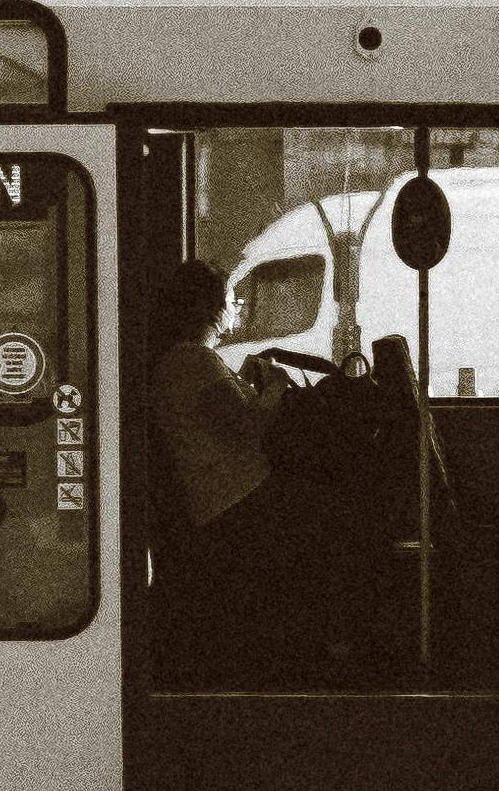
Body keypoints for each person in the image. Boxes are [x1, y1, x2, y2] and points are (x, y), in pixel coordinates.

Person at [148, 257, 354, 674]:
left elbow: (222, 412)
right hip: (236, 498)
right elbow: (249, 425)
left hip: (225, 496)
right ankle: (332, 643)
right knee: (338, 511)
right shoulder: (193, 362)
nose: (236, 304)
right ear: (209, 308)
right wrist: (275, 383)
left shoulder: (186, 363)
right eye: (230, 297)